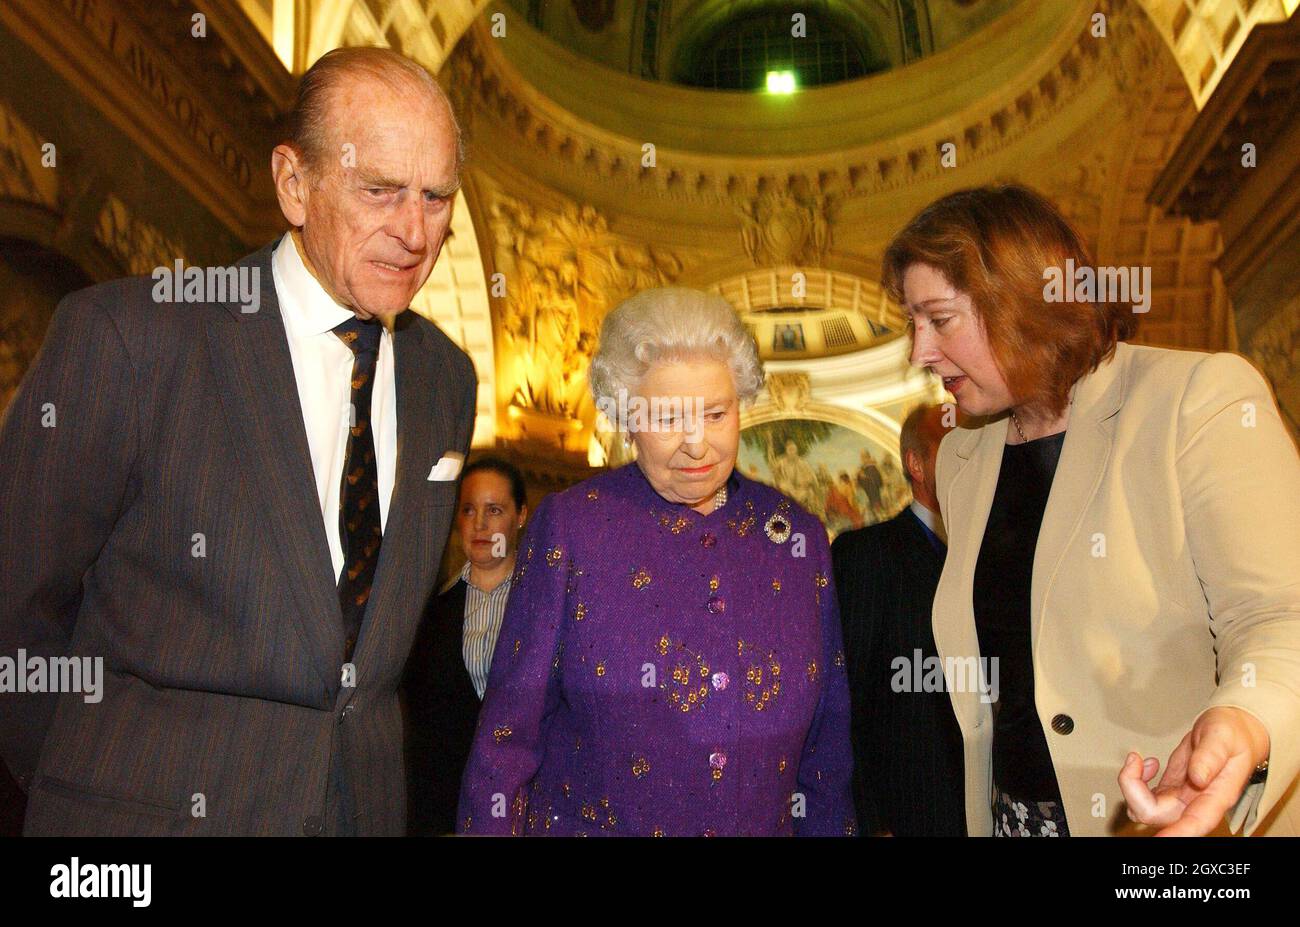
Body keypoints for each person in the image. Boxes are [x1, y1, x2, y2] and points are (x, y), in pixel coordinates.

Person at [0, 47, 477, 836]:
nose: (414, 231)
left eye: (436, 197)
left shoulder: (444, 379)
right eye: (381, 190)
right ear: (294, 183)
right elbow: (15, 607)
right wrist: (89, 781)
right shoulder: (132, 338)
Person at [886, 183, 1300, 837]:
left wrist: (1248, 717)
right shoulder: (962, 461)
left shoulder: (1196, 399)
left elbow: (1281, 616)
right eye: (912, 323)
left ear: (1019, 298)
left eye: (938, 318)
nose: (919, 352)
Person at [457, 288, 855, 836]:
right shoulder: (572, 529)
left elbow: (827, 754)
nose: (697, 445)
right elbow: (506, 742)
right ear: (626, 420)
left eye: (716, 414)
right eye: (668, 418)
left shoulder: (796, 539)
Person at [833, 403, 966, 836]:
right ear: (917, 464)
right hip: (910, 812)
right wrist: (873, 820)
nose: (972, 459)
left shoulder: (996, 552)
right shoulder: (866, 556)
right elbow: (847, 697)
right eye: (957, 448)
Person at [403, 457, 528, 836]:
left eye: (494, 510)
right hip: (442, 812)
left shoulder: (548, 603)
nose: (481, 525)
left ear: (520, 516)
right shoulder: (428, 611)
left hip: (528, 811)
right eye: (469, 509)